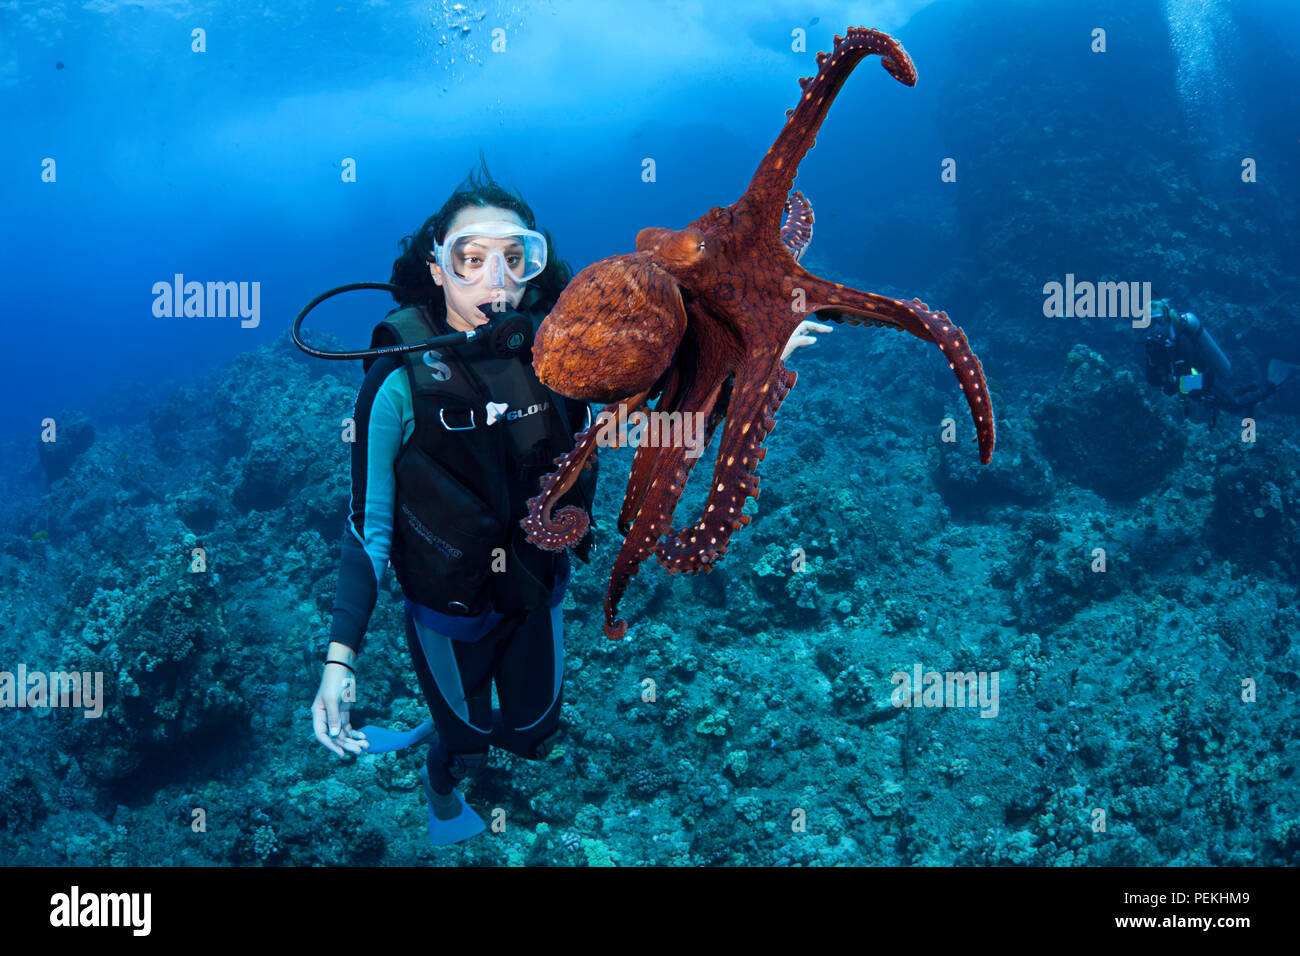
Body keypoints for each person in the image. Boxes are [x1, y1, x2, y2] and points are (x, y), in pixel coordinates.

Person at [309, 164, 831, 848]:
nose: (494, 283)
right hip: (449, 611)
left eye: (514, 258)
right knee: (466, 741)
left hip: (537, 592)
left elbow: (665, 412)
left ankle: (459, 725)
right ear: (435, 268)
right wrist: (339, 660)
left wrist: (749, 356)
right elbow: (370, 530)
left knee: (534, 733)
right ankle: (440, 773)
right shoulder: (398, 383)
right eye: (469, 260)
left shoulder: (569, 350)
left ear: (536, 264)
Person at [1144, 298, 1291, 426]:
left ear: (1166, 319)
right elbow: (1160, 374)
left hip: (1204, 378)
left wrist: (1175, 385)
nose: (1155, 328)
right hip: (1199, 381)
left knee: (1235, 405)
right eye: (1151, 323)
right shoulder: (1165, 341)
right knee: (1228, 395)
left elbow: (1189, 378)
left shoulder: (1181, 341)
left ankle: (1272, 385)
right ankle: (1253, 386)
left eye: (1157, 321)